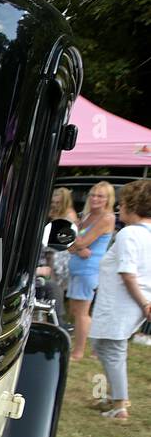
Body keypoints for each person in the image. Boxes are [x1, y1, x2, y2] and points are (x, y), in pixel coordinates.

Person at [88, 179, 151, 420]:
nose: (119, 208)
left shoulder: (130, 234)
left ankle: (119, 405)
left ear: (133, 206)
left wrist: (143, 304)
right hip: (132, 302)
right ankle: (115, 394)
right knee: (106, 347)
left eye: (123, 203)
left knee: (112, 350)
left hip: (123, 303)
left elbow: (127, 272)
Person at [66, 180, 116, 361]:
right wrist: (78, 247)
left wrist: (77, 245)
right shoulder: (86, 216)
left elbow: (78, 241)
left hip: (89, 270)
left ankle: (79, 352)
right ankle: (93, 347)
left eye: (100, 196)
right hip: (76, 267)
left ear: (108, 199)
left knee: (82, 312)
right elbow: (70, 245)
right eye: (93, 194)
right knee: (75, 310)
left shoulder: (106, 218)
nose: (95, 198)